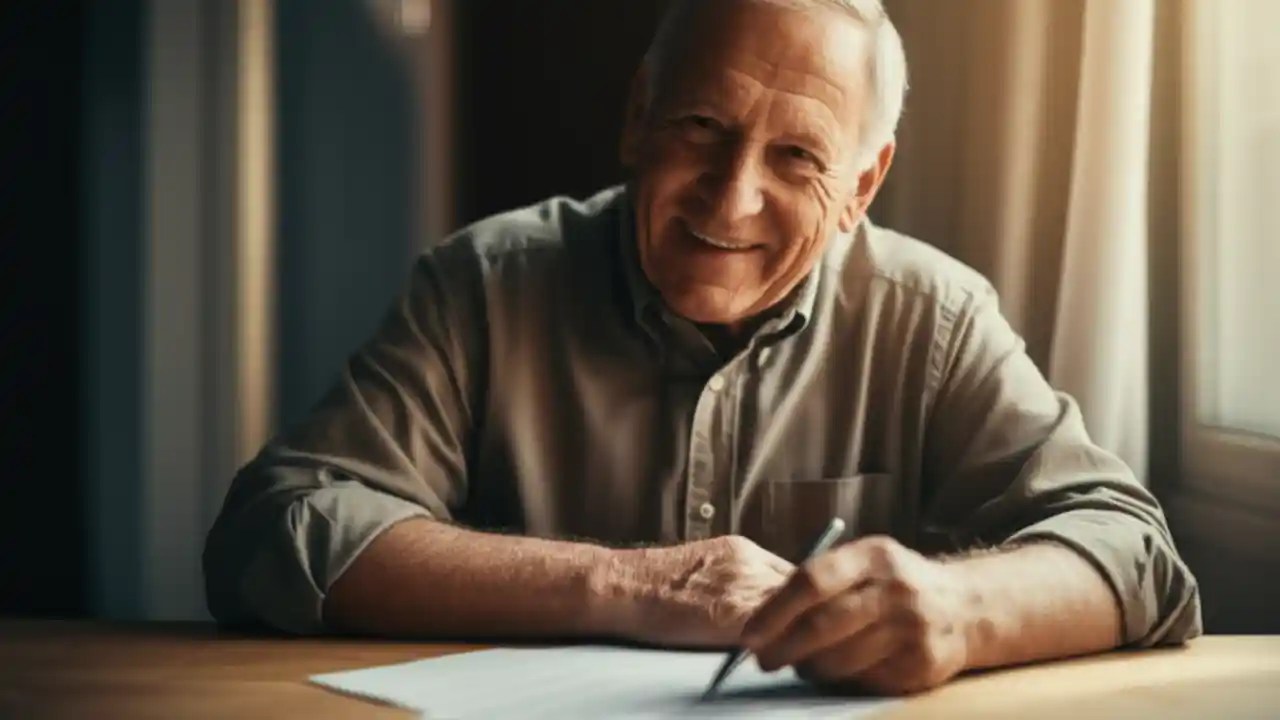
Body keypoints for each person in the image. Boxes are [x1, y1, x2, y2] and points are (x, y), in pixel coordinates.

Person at [204, 0, 1201, 695]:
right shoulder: (484, 286)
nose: (730, 200)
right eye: (700, 126)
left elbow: (1137, 557)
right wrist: (633, 585)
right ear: (639, 115)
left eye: (797, 156)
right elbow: (274, 532)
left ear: (861, 186)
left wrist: (957, 608)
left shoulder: (932, 318)